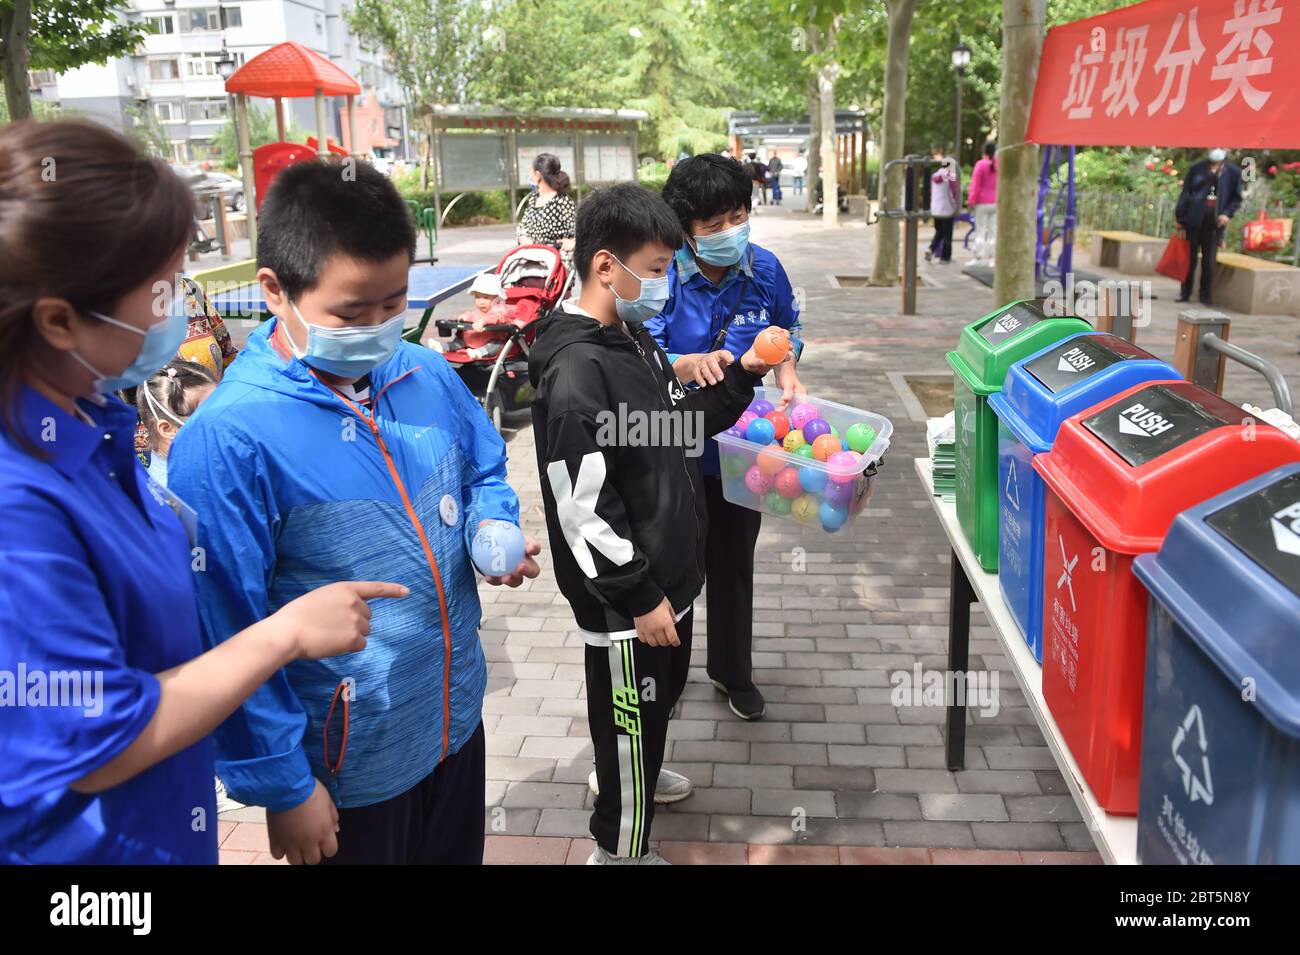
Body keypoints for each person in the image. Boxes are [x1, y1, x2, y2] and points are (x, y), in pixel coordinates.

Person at [0, 119, 399, 864]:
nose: (180, 310)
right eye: (162, 290)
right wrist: (282, 633)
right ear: (59, 320)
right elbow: (94, 739)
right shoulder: (19, 502)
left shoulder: (96, 429)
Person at [168, 159, 541, 865]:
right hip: (345, 775)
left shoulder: (423, 371)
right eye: (350, 311)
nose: (376, 328)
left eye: (393, 303)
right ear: (276, 290)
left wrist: (489, 521)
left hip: (453, 723)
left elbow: (484, 459)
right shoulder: (229, 440)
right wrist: (283, 786)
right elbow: (227, 626)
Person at [528, 182, 780, 864]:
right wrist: (639, 595)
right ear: (607, 266)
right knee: (631, 719)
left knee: (649, 709)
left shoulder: (631, 338)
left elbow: (675, 428)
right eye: (660, 268)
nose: (667, 283)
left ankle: (631, 777)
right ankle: (619, 848)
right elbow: (582, 505)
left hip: (669, 578)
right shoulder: (580, 369)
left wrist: (745, 374)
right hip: (630, 599)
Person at [649, 153, 805, 722]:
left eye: (737, 217)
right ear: (685, 230)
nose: (728, 233)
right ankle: (666, 681)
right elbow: (642, 353)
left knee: (735, 559)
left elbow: (787, 328)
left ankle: (732, 671)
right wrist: (690, 362)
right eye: (712, 226)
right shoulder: (661, 277)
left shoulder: (765, 269)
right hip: (676, 441)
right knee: (678, 565)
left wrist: (787, 366)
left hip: (743, 447)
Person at [1175, 147, 1244, 305]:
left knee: (1209, 261)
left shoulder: (1232, 172)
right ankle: (1185, 292)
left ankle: (1205, 295)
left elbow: (1236, 198)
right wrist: (1180, 216)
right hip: (1194, 219)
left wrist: (1227, 213)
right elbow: (1186, 193)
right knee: (1189, 258)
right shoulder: (1197, 169)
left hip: (1214, 222)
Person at [136, 360, 217, 486]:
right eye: (209, 413)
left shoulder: (202, 463)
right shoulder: (177, 492)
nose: (224, 417)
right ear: (167, 429)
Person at [517, 152, 577, 253]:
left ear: (537, 175)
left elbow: (581, 232)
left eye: (531, 172)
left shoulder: (562, 201)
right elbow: (523, 226)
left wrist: (573, 242)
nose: (530, 176)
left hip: (556, 262)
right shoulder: (533, 199)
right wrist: (522, 237)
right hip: (532, 258)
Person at [926, 149, 960, 265]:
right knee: (947, 234)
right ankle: (945, 257)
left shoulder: (935, 175)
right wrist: (956, 206)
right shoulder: (950, 176)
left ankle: (930, 249)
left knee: (940, 231)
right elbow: (953, 193)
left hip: (936, 209)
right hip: (947, 209)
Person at [968, 141, 998, 267]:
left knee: (980, 230)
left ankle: (978, 256)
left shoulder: (980, 165)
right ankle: (993, 258)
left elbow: (975, 185)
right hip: (996, 201)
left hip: (982, 202)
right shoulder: (999, 165)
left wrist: (971, 201)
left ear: (984, 151)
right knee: (993, 231)